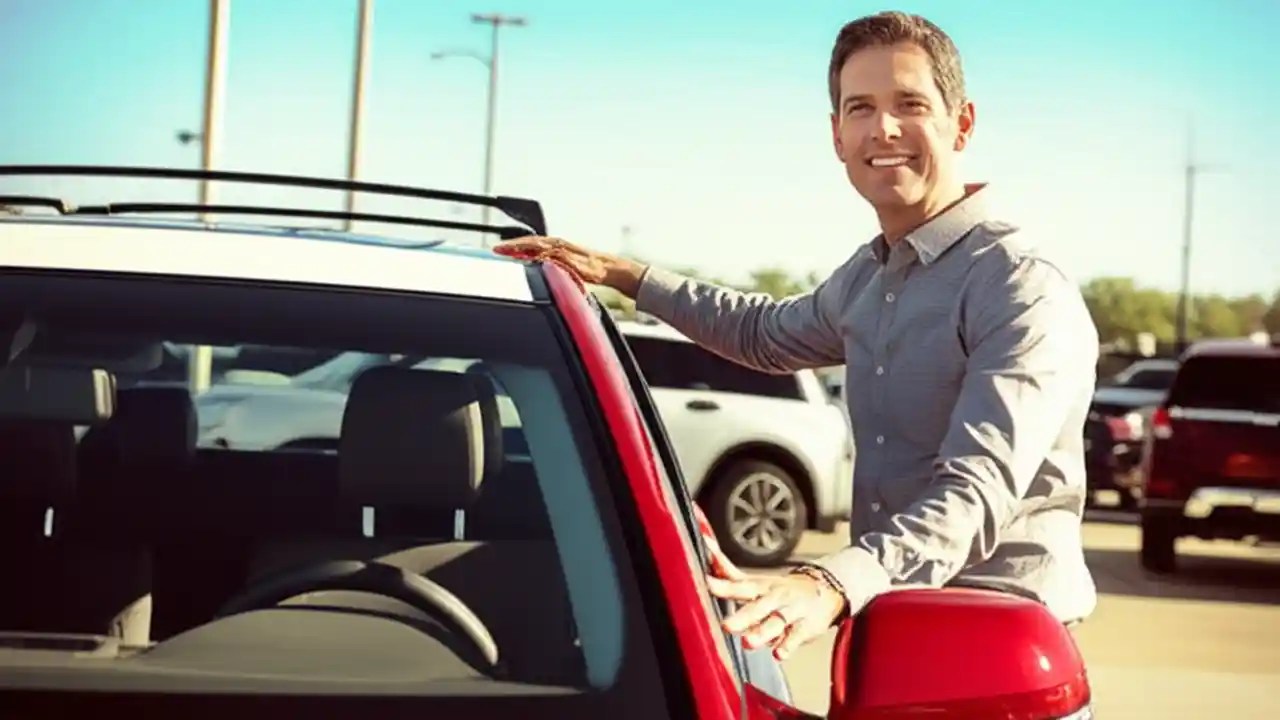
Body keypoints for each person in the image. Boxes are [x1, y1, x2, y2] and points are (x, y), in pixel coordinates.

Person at [494, 10, 1099, 661]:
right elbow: (759, 333)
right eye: (860, 108)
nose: (884, 129)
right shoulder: (870, 276)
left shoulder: (1018, 283)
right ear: (838, 135)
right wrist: (623, 275)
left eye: (911, 104)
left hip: (998, 644)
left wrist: (827, 582)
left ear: (963, 124)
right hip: (888, 625)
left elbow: (975, 493)